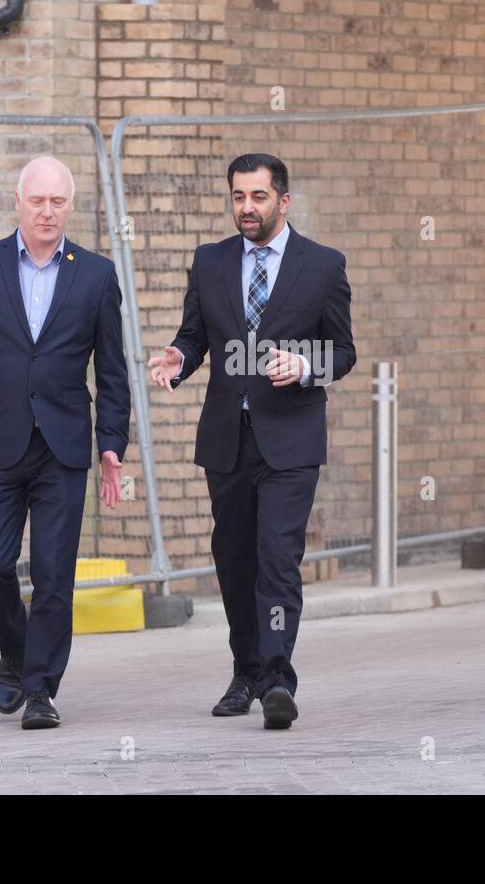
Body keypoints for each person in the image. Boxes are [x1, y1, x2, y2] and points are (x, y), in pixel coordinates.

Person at [147, 153, 355, 729]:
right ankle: (245, 672)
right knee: (234, 561)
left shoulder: (323, 266)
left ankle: (277, 678)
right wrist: (178, 358)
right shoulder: (210, 262)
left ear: (282, 201)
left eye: (258, 197)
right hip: (227, 439)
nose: (246, 207)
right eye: (238, 196)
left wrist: (306, 363)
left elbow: (345, 351)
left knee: (277, 558)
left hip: (291, 440)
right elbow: (194, 336)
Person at [0, 156, 129, 730]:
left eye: (57, 201)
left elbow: (112, 371)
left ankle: (40, 689)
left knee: (56, 575)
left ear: (69, 205)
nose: (46, 211)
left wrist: (112, 443)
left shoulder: (95, 275)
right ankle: (13, 648)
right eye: (36, 200)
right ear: (18, 202)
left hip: (62, 447)